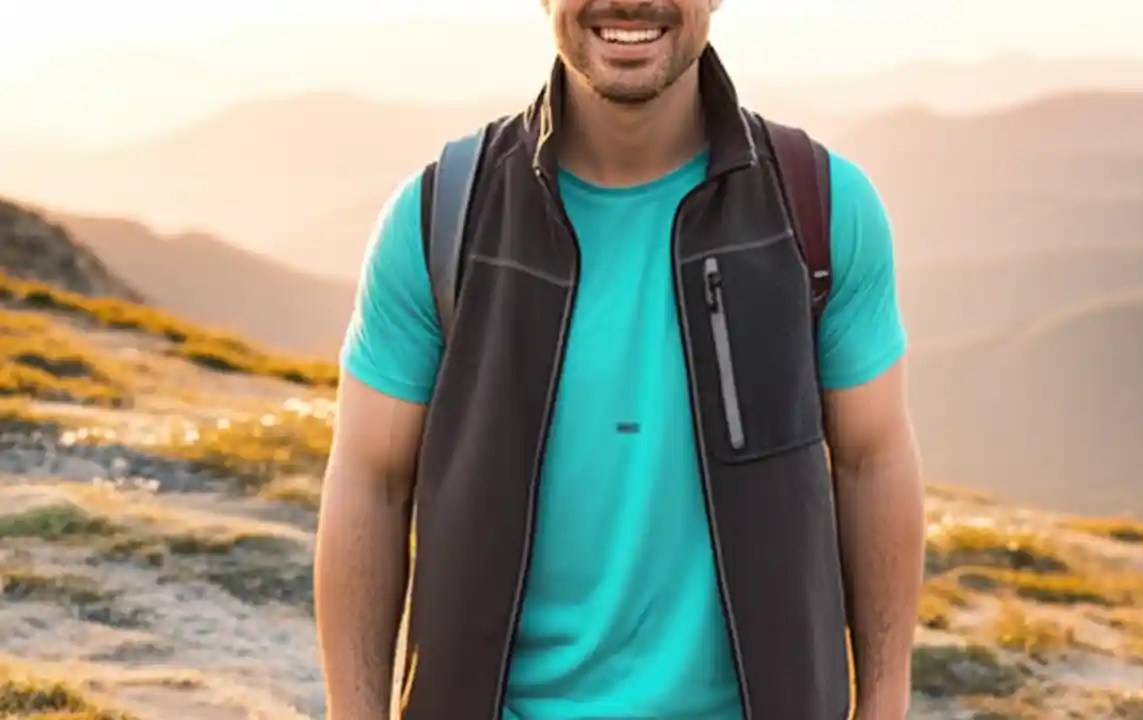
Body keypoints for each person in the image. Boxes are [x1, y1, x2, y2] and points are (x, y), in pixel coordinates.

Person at [313, 0, 926, 718]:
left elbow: (872, 460)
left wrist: (883, 703)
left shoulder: (820, 208)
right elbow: (369, 481)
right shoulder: (442, 218)